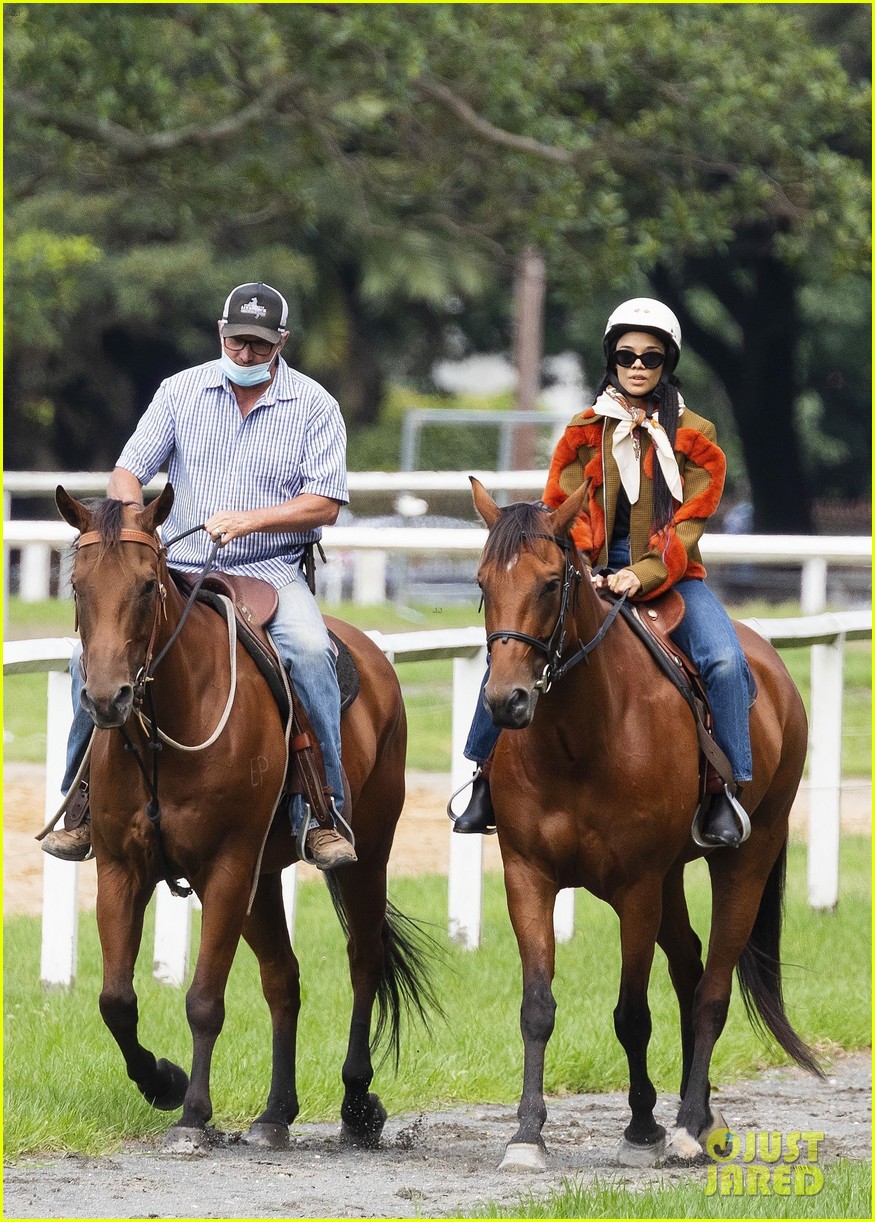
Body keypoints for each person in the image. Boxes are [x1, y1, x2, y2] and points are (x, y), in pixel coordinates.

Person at [42, 282, 357, 870]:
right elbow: (126, 474)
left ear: (281, 343)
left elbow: (325, 504)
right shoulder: (179, 393)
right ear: (221, 333)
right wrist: (136, 529)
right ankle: (79, 800)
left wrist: (251, 520)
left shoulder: (316, 405)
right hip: (180, 568)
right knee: (86, 661)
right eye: (238, 342)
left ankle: (323, 810)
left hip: (270, 571)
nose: (245, 356)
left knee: (312, 651)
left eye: (260, 347)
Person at [452, 297, 753, 848]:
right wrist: (586, 567)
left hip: (674, 574)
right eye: (626, 354)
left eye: (651, 357)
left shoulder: (699, 435)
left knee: (726, 661)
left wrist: (643, 573)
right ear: (611, 359)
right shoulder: (581, 430)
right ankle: (483, 779)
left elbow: (691, 521)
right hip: (586, 569)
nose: (638, 365)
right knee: (513, 650)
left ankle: (725, 792)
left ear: (668, 364)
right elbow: (564, 508)